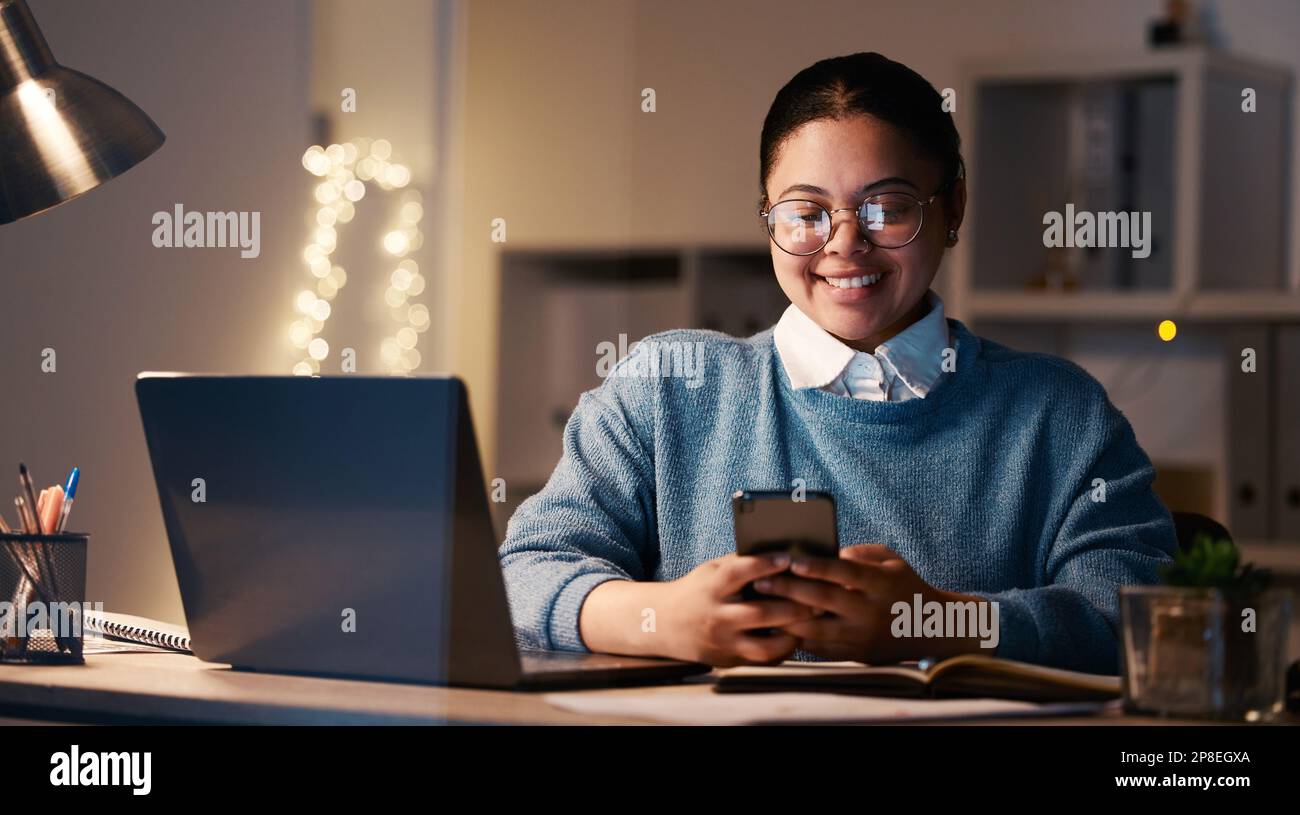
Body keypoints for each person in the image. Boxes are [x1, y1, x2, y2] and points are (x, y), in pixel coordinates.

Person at [498, 51, 1177, 674]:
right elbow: (519, 574)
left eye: (887, 207)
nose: (844, 245)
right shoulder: (666, 386)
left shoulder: (1057, 410)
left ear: (953, 207)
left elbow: (1141, 616)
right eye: (806, 213)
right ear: (767, 217)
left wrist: (937, 622)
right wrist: (665, 618)